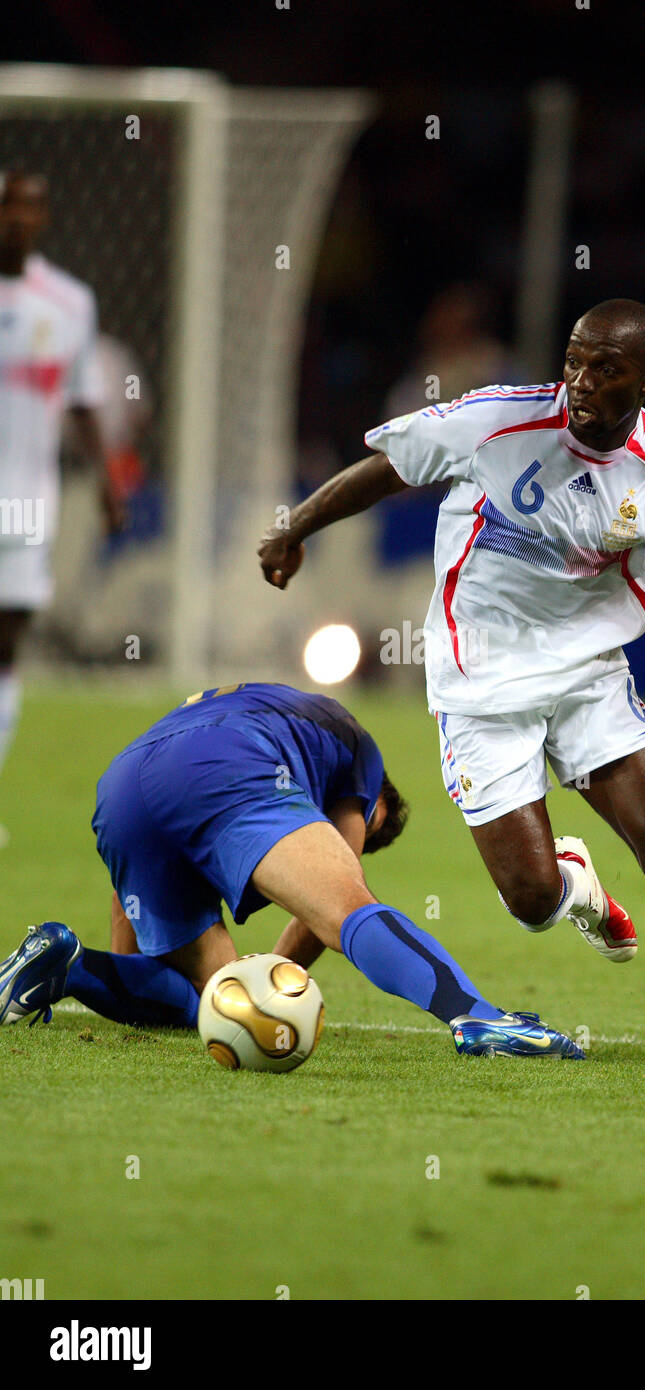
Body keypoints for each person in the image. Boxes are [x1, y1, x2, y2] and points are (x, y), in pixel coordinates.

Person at [258, 298, 645, 1084]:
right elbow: (389, 468)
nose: (579, 381)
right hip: (479, 684)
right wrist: (294, 528)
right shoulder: (497, 421)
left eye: (603, 369)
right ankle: (572, 884)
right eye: (572, 361)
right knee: (532, 900)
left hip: (588, 676)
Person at [0, 681, 582, 1060]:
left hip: (123, 785)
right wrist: (281, 977)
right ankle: (478, 1019)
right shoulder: (363, 761)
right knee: (350, 908)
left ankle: (65, 966)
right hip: (228, 772)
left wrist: (132, 967)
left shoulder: (259, 705)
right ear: (374, 805)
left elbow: (153, 825)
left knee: (214, 1002)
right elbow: (331, 906)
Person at [0, 171, 122, 840]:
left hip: (25, 504)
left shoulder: (69, 302)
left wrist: (107, 481)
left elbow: (82, 398)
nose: (15, 218)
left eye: (27, 207)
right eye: (5, 206)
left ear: (43, 217)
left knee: (8, 645)